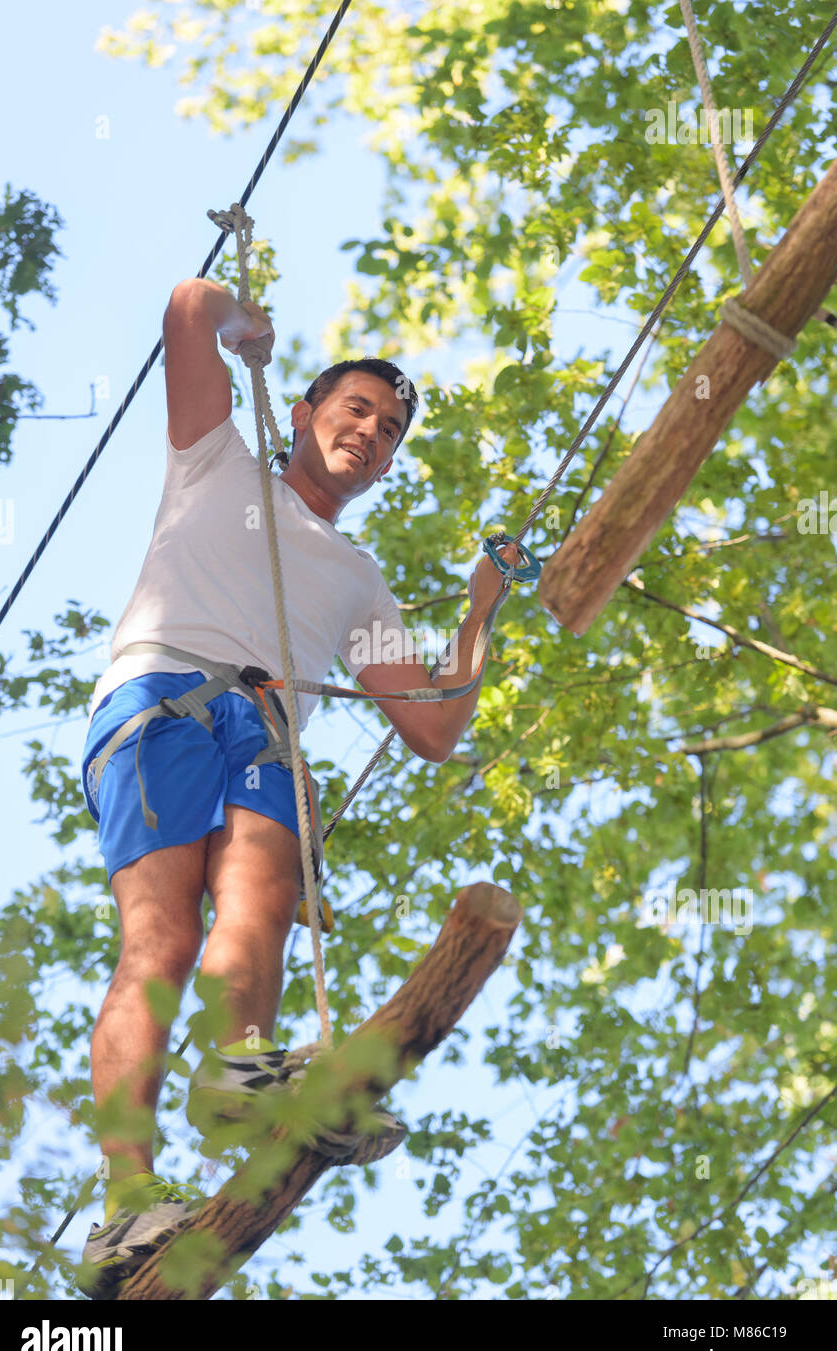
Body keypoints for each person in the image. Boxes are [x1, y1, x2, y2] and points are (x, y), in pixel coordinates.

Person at [77, 275, 521, 1296]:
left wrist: (476, 611)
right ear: (305, 410)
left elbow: (433, 724)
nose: (371, 432)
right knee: (160, 941)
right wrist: (243, 324)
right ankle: (128, 1198)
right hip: (162, 691)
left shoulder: (358, 577)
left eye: (390, 430)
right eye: (355, 407)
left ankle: (240, 1068)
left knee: (263, 905)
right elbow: (188, 306)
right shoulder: (216, 459)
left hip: (265, 726)